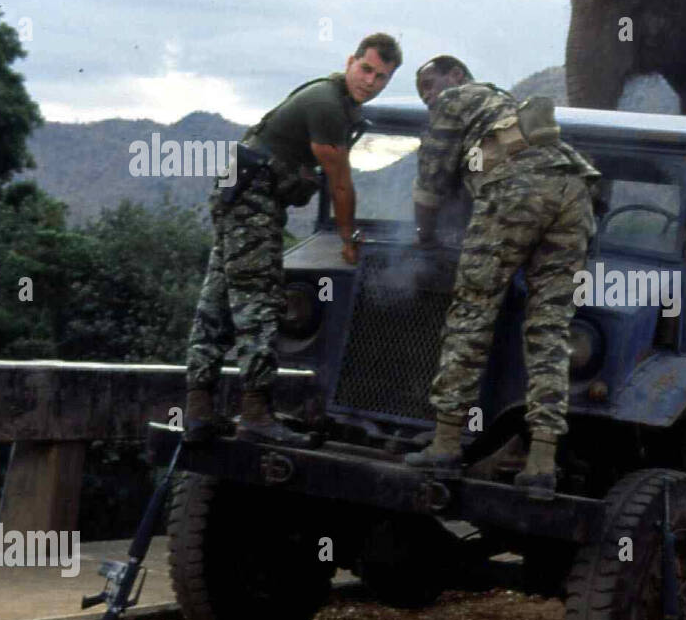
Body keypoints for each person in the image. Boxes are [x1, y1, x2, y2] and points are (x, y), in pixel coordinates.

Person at [184, 33, 401, 445]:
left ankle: (197, 412)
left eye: (382, 77)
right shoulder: (326, 104)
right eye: (366, 69)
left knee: (216, 303)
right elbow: (339, 182)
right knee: (260, 303)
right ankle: (256, 415)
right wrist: (348, 238)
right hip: (251, 200)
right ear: (350, 61)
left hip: (243, 196)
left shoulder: (339, 103)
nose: (371, 81)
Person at [406, 54, 599, 497]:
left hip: (517, 188)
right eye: (423, 93)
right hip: (573, 193)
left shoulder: (456, 99)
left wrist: (423, 236)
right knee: (550, 329)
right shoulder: (506, 105)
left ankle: (447, 442)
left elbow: (430, 180)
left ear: (455, 76)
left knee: (471, 313)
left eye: (430, 85)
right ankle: (542, 461)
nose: (429, 97)